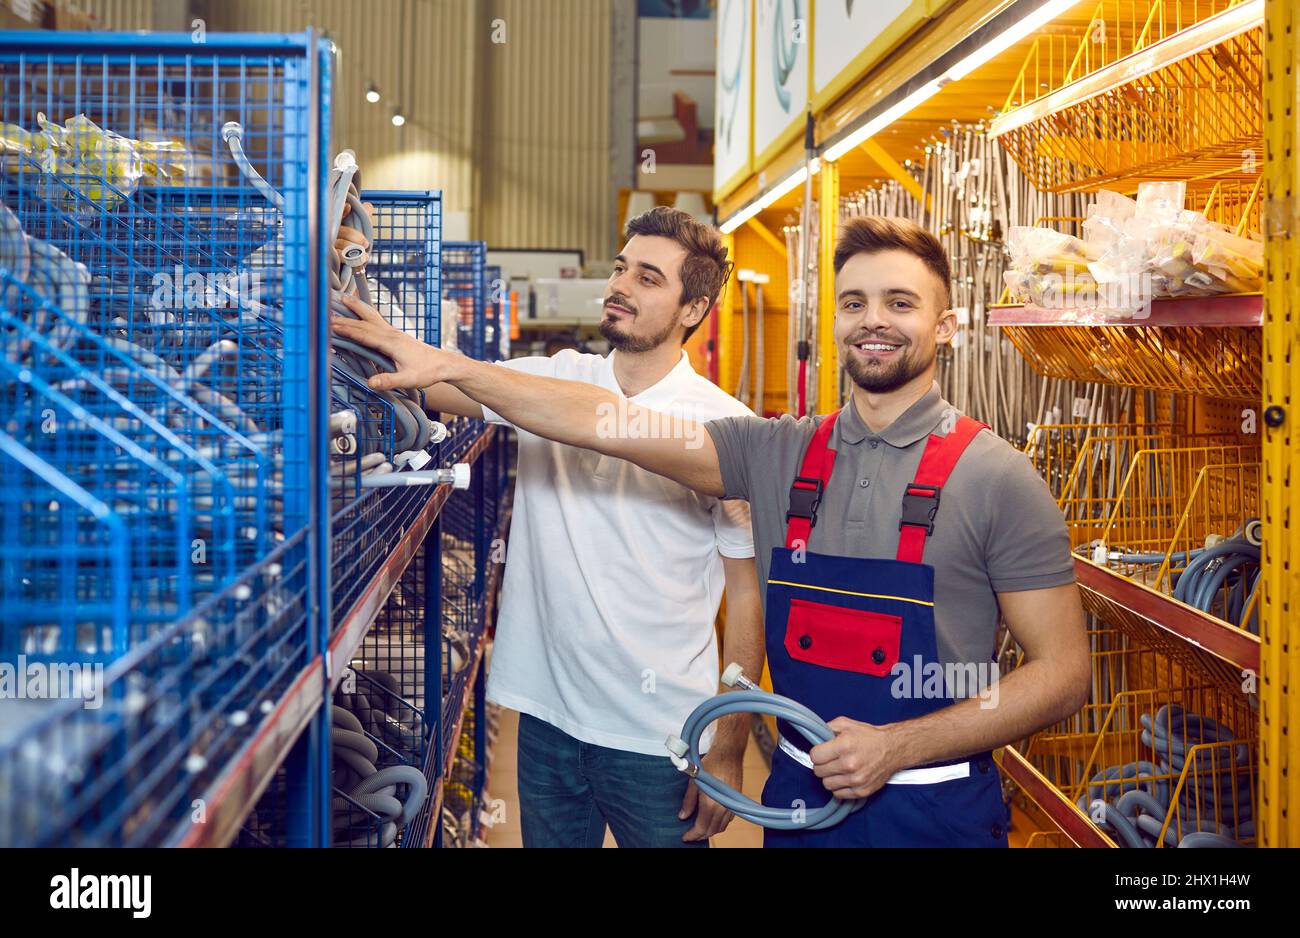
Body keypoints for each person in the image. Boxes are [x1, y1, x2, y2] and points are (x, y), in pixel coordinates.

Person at [333, 214, 1091, 848]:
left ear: (947, 325)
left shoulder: (997, 477)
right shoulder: (780, 451)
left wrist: (896, 747)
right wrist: (444, 365)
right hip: (799, 796)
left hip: (930, 808)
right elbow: (612, 426)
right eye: (854, 303)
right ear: (835, 320)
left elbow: (1063, 676)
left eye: (901, 303)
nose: (874, 322)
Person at [336, 206, 763, 848]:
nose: (621, 285)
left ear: (692, 309)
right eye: (621, 268)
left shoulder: (725, 427)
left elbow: (750, 591)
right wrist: (348, 299)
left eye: (649, 278)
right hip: (546, 717)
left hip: (661, 731)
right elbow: (431, 389)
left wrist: (728, 739)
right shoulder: (558, 375)